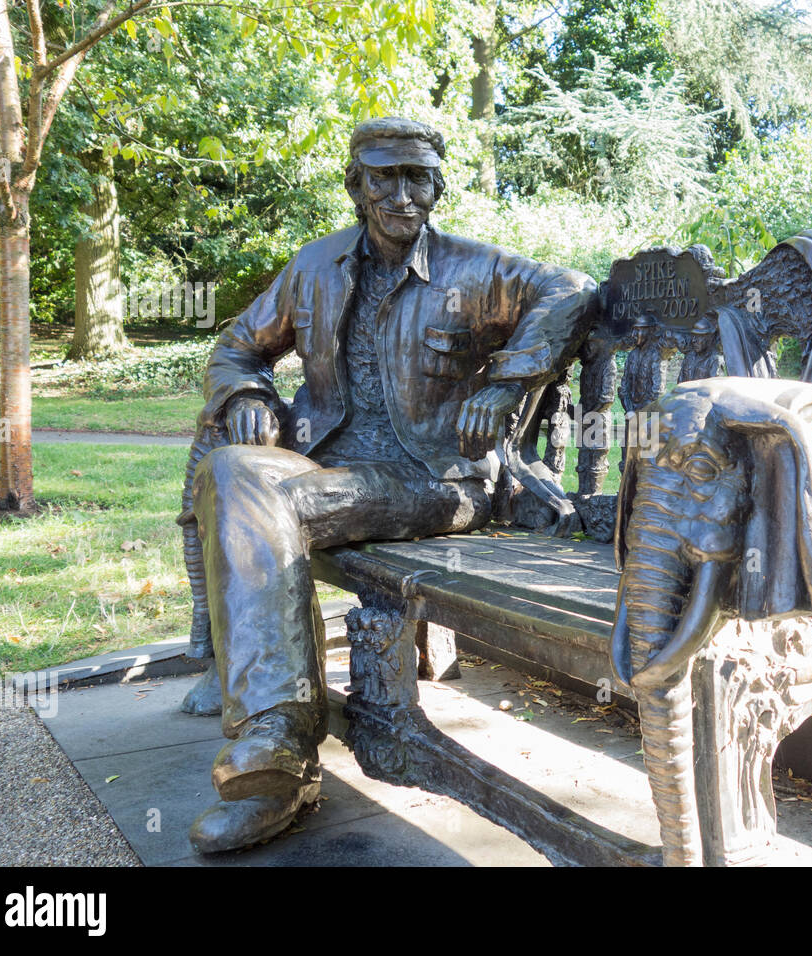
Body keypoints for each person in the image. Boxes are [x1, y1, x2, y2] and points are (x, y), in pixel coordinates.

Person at [185, 117, 598, 852]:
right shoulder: (313, 267)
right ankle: (279, 731)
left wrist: (505, 385)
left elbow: (570, 290)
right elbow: (237, 347)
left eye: (418, 178)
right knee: (233, 468)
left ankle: (277, 746)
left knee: (263, 500)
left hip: (437, 485)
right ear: (357, 186)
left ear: (437, 186)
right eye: (385, 177)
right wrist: (246, 394)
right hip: (329, 473)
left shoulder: (476, 270)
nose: (403, 195)